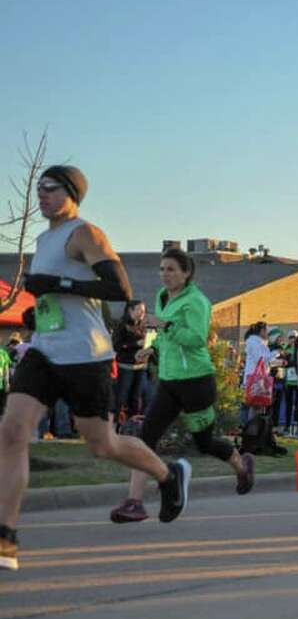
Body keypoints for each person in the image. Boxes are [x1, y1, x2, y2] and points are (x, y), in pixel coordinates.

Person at [1, 166, 190, 569]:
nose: (42, 196)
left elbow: (119, 289)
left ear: (72, 194)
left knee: (102, 444)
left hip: (85, 353)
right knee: (13, 431)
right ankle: (6, 538)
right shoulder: (44, 237)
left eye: (50, 189)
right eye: (38, 190)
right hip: (45, 349)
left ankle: (168, 475)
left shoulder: (86, 233)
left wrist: (59, 285)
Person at [110, 249, 255, 522]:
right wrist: (152, 351)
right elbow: (168, 339)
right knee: (146, 438)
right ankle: (134, 502)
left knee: (204, 443)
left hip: (196, 382)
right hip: (169, 381)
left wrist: (165, 324)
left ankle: (241, 465)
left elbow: (196, 339)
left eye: (171, 269)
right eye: (162, 269)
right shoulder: (162, 297)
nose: (165, 274)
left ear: (186, 273)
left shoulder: (197, 301)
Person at [111, 299, 148, 426]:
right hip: (126, 366)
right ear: (130, 310)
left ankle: (133, 425)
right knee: (121, 396)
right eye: (139, 310)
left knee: (136, 397)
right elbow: (116, 345)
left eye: (143, 310)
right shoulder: (122, 325)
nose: (142, 312)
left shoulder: (144, 325)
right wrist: (135, 344)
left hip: (141, 366)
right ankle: (116, 423)